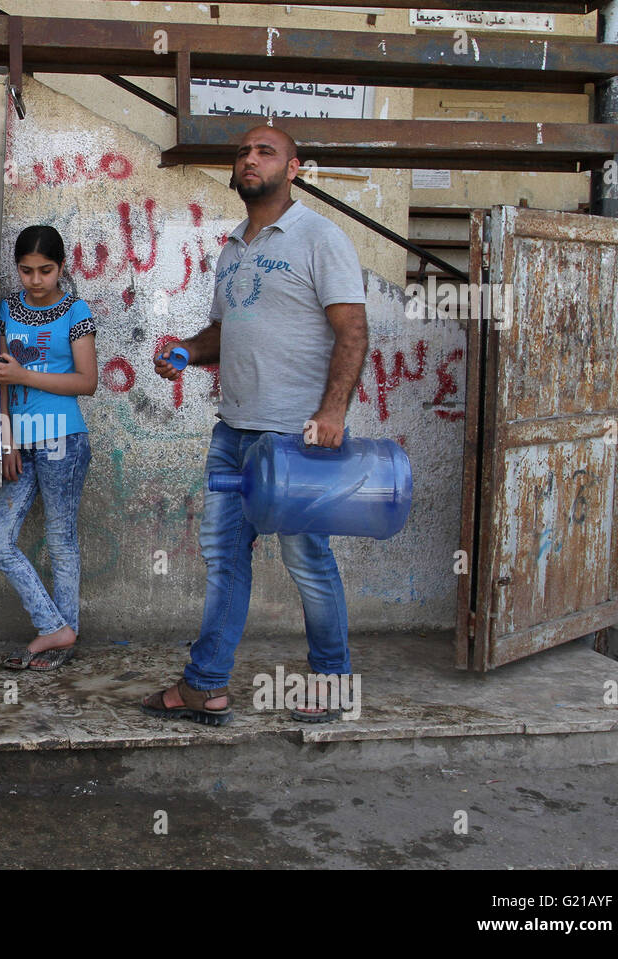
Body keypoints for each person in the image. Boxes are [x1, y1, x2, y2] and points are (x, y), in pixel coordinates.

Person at [141, 126, 368, 726]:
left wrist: (333, 413)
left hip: (295, 439)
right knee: (224, 559)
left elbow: (352, 331)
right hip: (233, 433)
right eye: (242, 151)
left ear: (294, 168)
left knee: (306, 560)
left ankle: (334, 683)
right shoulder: (232, 248)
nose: (249, 158)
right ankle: (206, 685)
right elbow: (226, 329)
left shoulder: (319, 237)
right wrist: (187, 350)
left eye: (265, 151)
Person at [0, 225, 98, 671]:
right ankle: (55, 627)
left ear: (61, 267)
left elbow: (87, 382)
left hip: (63, 439)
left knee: (61, 541)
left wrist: (25, 376)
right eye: (26, 271)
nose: (35, 280)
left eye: (45, 270)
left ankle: (62, 642)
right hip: (20, 443)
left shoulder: (76, 310)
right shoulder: (6, 310)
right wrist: (5, 441)